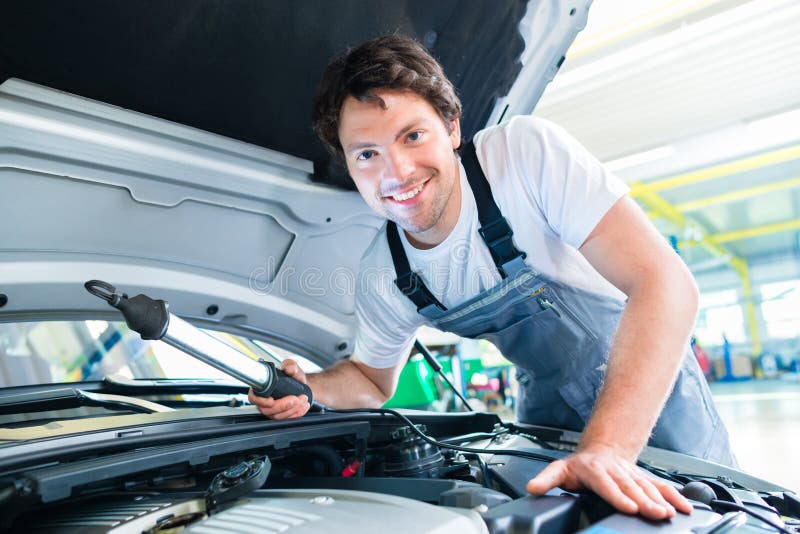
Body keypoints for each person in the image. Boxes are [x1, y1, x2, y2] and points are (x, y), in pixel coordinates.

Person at [249, 34, 736, 519]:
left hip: (654, 404)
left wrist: (608, 448)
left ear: (452, 128)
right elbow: (371, 382)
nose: (396, 171)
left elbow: (663, 283)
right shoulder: (384, 273)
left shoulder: (520, 158)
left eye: (412, 136)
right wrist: (309, 387)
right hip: (549, 425)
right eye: (366, 154)